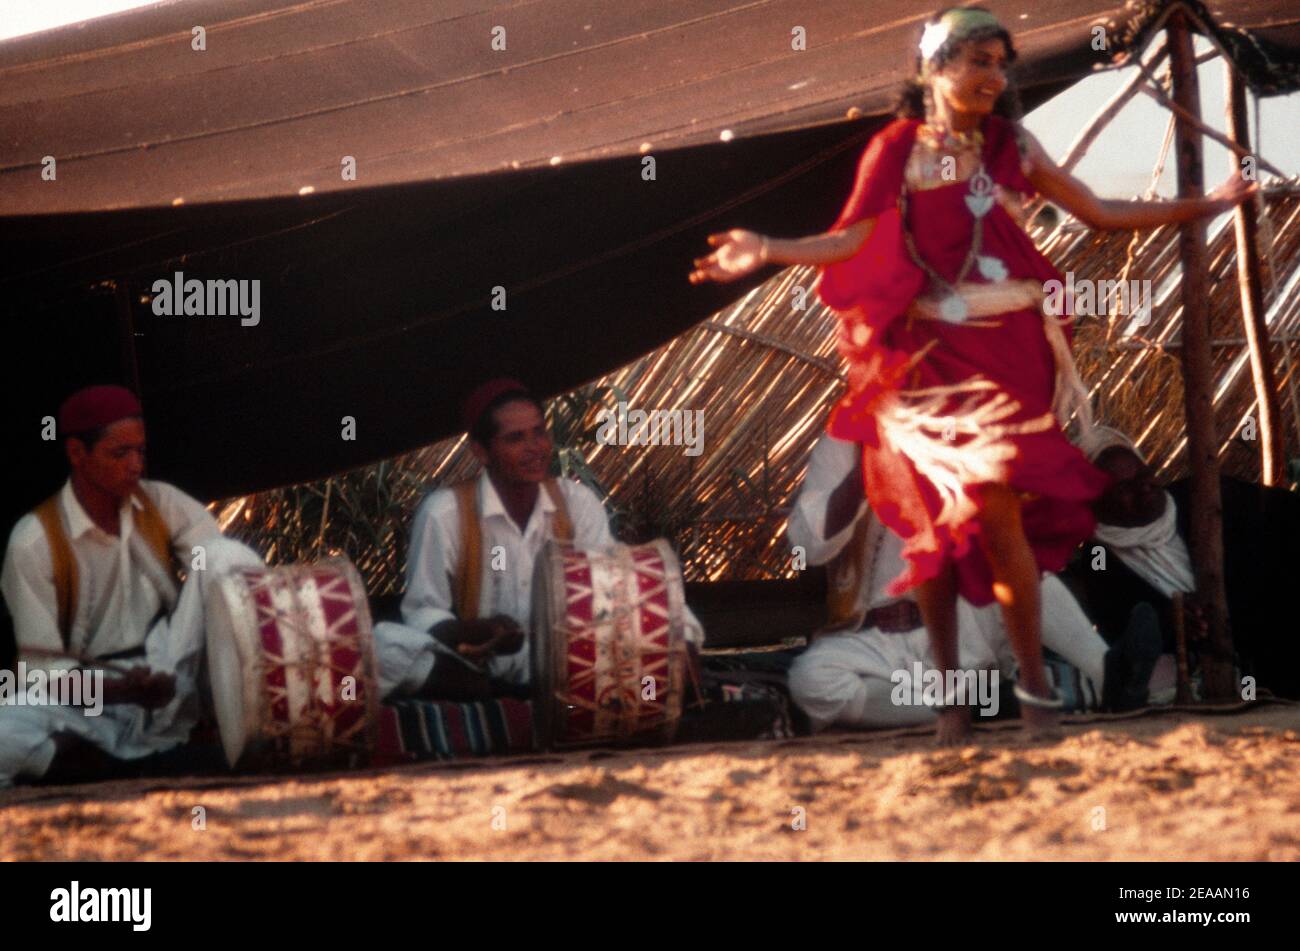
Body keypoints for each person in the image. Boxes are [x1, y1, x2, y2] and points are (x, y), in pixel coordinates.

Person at [689, 6, 1256, 742]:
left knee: (994, 504)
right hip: (931, 354)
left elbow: (1099, 211)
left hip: (1009, 347)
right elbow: (851, 240)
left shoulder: (1014, 144)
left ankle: (1039, 689)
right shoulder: (897, 150)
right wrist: (767, 246)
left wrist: (1202, 205)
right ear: (934, 70)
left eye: (1000, 62)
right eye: (977, 61)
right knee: (930, 519)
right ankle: (965, 701)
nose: (994, 75)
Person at [786, 433, 1164, 731]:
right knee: (813, 682)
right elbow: (807, 545)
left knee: (1022, 571)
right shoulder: (844, 441)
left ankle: (1111, 676)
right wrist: (864, 471)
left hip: (965, 624)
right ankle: (986, 705)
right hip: (879, 643)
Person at [374, 378, 705, 702]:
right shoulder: (444, 513)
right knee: (382, 644)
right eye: (516, 438)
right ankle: (479, 688)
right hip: (472, 662)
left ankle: (501, 695)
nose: (535, 448)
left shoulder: (576, 503)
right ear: (482, 451)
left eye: (539, 432)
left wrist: (673, 637)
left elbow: (616, 584)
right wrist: (476, 631)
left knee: (668, 607)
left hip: (567, 661)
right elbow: (422, 612)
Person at [0, 385, 262, 786]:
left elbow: (226, 572)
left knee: (225, 556)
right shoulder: (32, 542)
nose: (136, 465)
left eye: (140, 451)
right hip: (94, 700)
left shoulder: (161, 503)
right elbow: (46, 677)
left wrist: (177, 673)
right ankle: (105, 759)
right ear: (76, 454)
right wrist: (125, 692)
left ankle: (109, 760)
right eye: (120, 454)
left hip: (176, 675)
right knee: (7, 728)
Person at [1066, 426, 1300, 699]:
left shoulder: (1207, 495)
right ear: (1095, 500)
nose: (1144, 487)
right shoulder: (1101, 561)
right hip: (1240, 679)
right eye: (1124, 488)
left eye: (1144, 474)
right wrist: (1171, 620)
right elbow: (1120, 631)